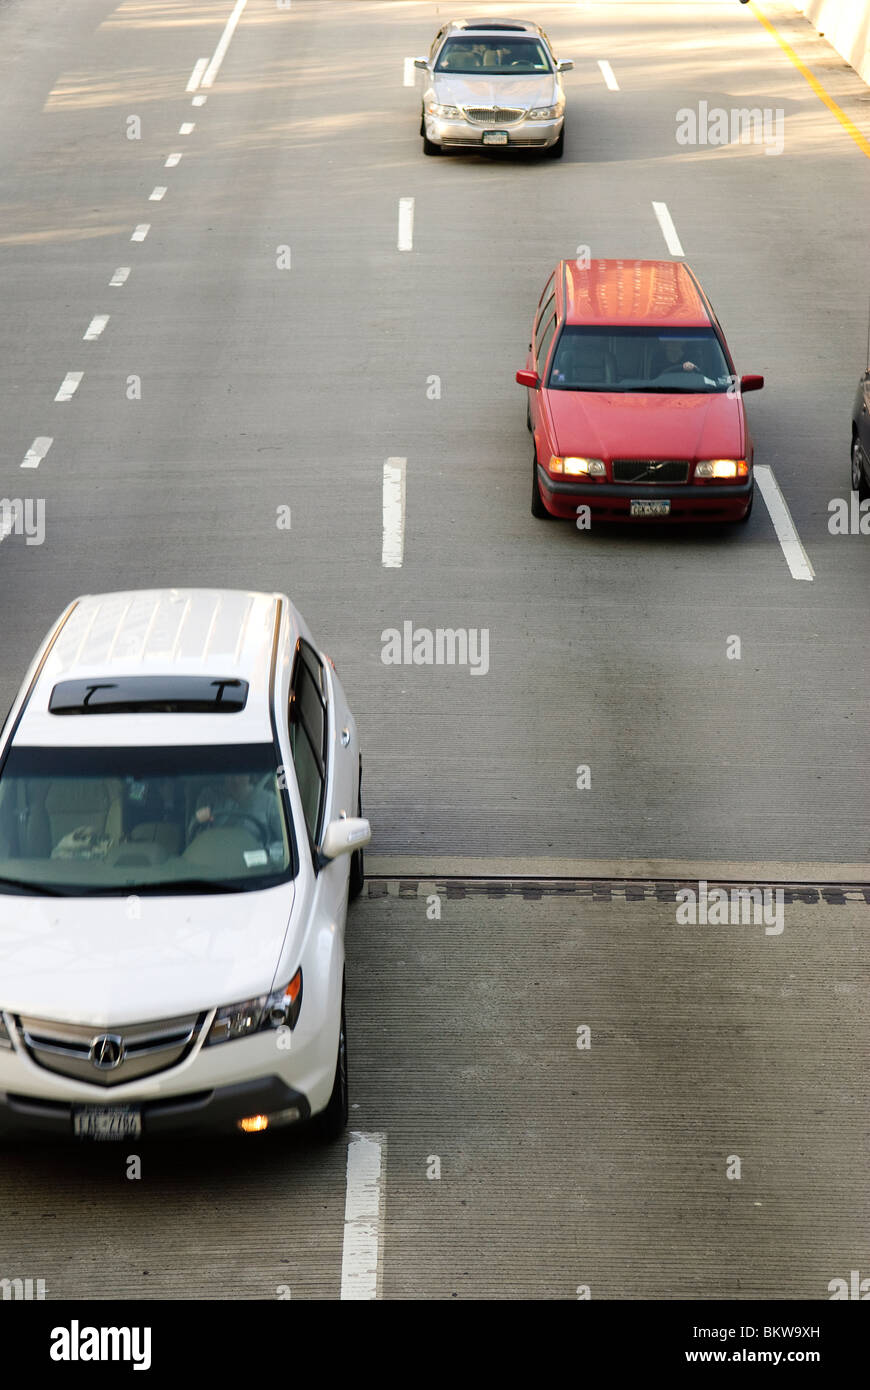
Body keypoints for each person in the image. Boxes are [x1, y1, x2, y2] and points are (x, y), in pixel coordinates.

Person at [188, 773, 283, 846]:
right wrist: (199, 819)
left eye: (240, 774)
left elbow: (284, 840)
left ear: (249, 774)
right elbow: (194, 833)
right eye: (231, 775)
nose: (236, 780)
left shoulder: (269, 801)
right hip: (216, 859)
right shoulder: (209, 797)